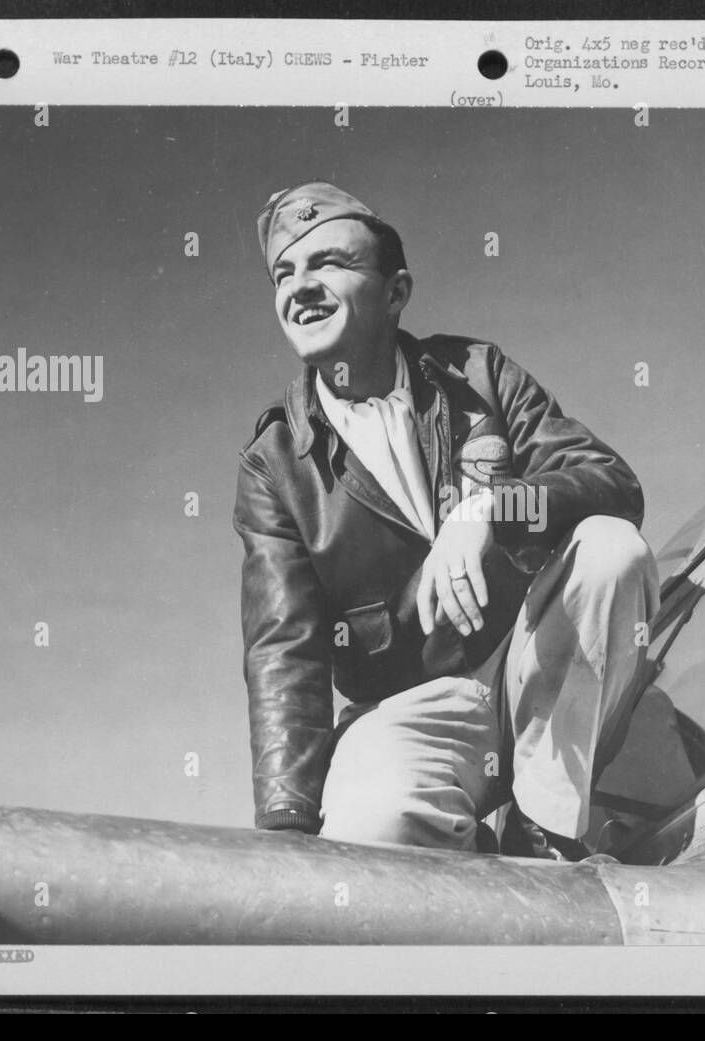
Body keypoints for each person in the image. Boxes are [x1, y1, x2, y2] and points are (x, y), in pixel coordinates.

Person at [233, 181, 658, 860]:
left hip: (535, 662)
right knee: (372, 837)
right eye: (284, 273)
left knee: (612, 549)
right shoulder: (275, 463)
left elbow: (613, 484)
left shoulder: (479, 374)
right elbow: (284, 647)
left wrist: (493, 506)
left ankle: (544, 828)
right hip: (413, 710)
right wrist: (286, 830)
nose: (300, 287)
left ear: (396, 292)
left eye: (328, 264)